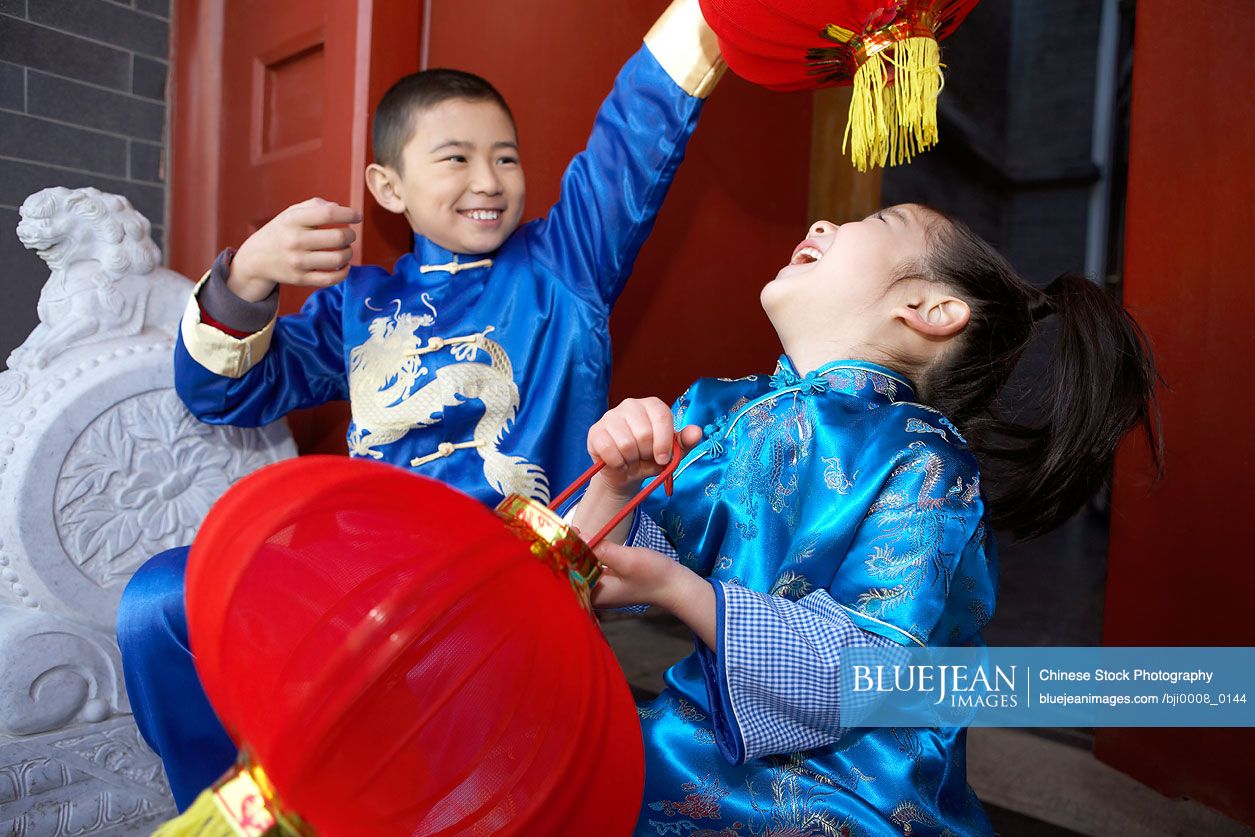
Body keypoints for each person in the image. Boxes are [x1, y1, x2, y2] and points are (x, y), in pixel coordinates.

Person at [117, 0, 725, 809]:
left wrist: (715, 14)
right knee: (161, 599)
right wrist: (250, 273)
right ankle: (232, 809)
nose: (488, 181)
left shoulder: (562, 268)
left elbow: (634, 131)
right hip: (365, 568)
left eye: (506, 159)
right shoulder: (359, 304)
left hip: (505, 579)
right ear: (387, 186)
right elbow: (225, 392)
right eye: (456, 158)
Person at [570, 204, 1159, 835]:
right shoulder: (723, 409)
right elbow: (603, 574)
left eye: (877, 221)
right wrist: (615, 482)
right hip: (693, 740)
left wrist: (678, 590)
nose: (822, 223)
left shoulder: (923, 460)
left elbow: (862, 674)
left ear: (930, 311)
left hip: (848, 790)